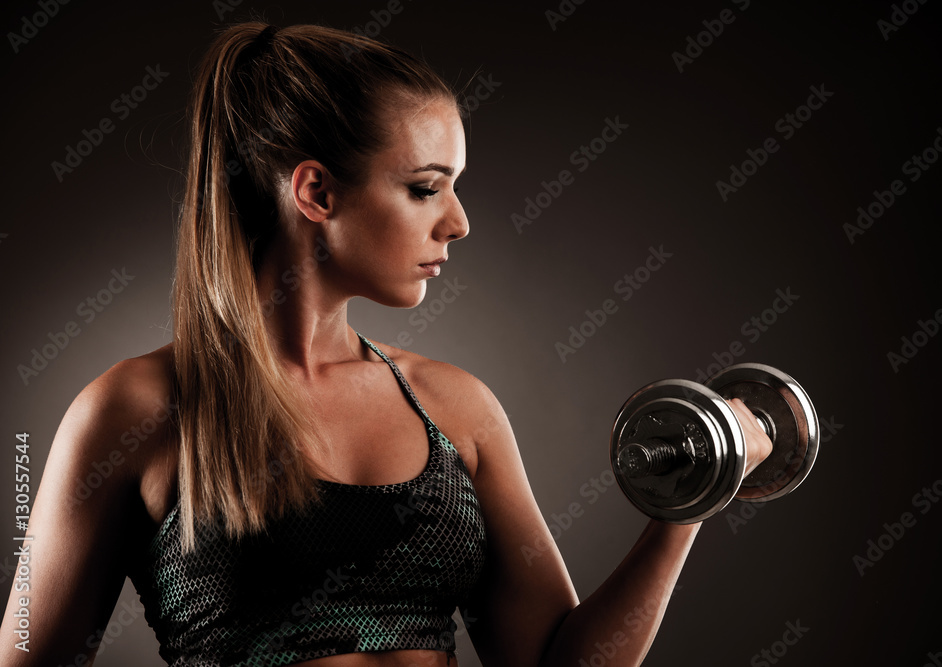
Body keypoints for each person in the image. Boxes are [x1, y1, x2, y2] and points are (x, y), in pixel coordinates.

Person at [0, 21, 771, 667]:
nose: (459, 221)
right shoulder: (134, 408)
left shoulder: (455, 408)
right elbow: (25, 652)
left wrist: (693, 497)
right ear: (317, 192)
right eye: (425, 188)